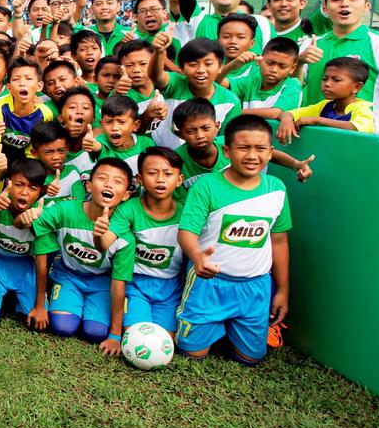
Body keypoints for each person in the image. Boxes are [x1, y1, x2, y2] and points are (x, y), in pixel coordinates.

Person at [176, 115, 291, 365]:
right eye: (243, 148)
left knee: (250, 359)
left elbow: (280, 242)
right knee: (192, 353)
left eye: (260, 148)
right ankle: (212, 326)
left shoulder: (277, 189)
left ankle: (235, 327)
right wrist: (197, 258)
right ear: (227, 151)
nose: (252, 155)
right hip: (210, 284)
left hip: (255, 287)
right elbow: (186, 233)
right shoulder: (206, 186)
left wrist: (282, 290)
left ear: (271, 152)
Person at [30, 157, 136, 347]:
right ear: (88, 186)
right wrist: (40, 303)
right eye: (102, 178)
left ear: (126, 195)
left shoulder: (125, 237)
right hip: (68, 275)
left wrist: (115, 335)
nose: (109, 185)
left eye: (117, 182)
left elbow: (119, 283)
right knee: (63, 327)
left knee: (95, 332)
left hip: (101, 282)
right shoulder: (65, 210)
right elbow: (37, 230)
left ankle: (90, 312)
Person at [98, 147, 186, 337]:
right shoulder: (129, 208)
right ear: (140, 179)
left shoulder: (186, 213)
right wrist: (99, 234)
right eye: (152, 173)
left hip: (171, 286)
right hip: (135, 283)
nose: (160, 179)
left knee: (166, 339)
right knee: (137, 335)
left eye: (168, 174)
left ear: (179, 180)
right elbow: (104, 244)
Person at [299, 0, 379, 134]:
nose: (344, 3)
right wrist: (299, 62)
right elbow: (294, 87)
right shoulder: (311, 44)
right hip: (314, 135)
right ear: (325, 8)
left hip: (363, 139)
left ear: (367, 6)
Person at [0, 158, 47, 326]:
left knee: (37, 322)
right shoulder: (0, 201)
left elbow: (41, 262)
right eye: (19, 185)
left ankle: (16, 301)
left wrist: (39, 306)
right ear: (9, 183)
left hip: (24, 268)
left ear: (40, 192)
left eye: (32, 188)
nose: (24, 193)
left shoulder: (43, 214)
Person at [278, 56, 375, 141]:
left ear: (356, 87)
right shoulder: (324, 105)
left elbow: (357, 128)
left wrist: (317, 120)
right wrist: (286, 120)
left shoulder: (362, 109)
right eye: (324, 79)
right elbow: (289, 113)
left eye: (336, 80)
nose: (327, 84)